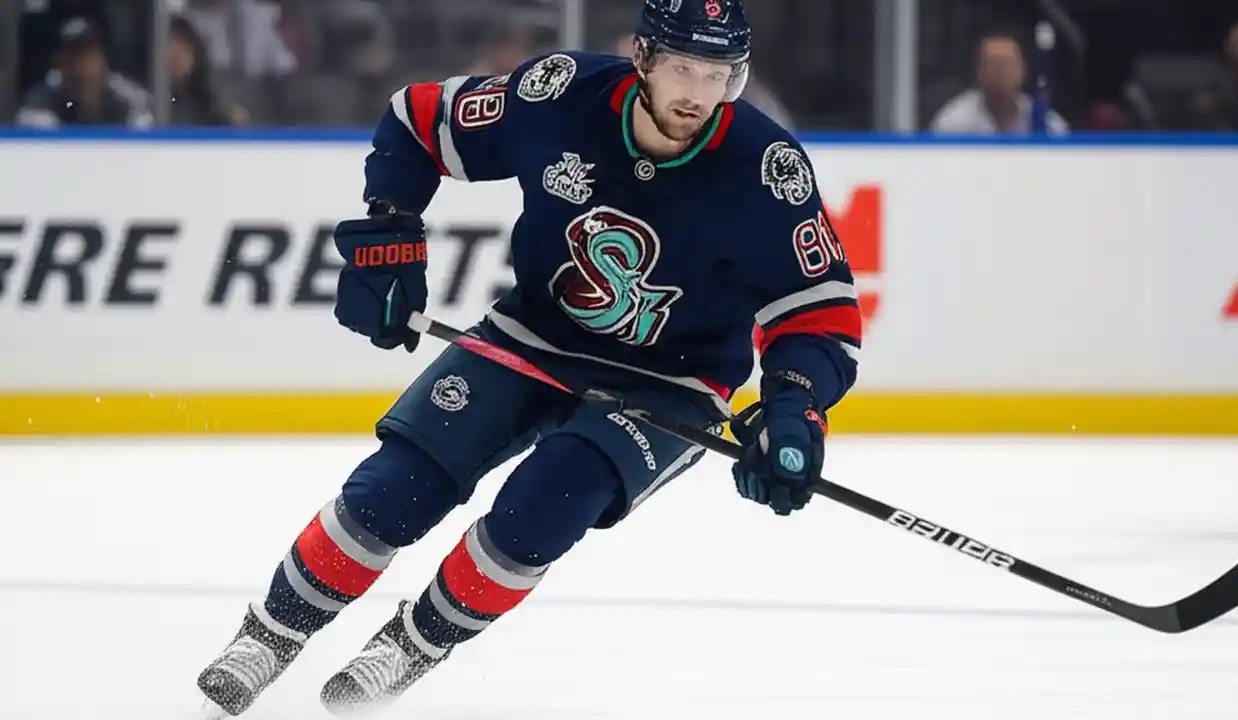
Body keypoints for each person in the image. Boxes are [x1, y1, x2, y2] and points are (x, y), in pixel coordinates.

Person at [194, 1, 862, 717]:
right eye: (681, 69)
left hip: (672, 382)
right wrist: (389, 235)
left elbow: (819, 312)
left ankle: (414, 644)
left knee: (545, 505)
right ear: (641, 57)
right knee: (395, 488)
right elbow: (418, 121)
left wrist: (795, 407)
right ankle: (269, 635)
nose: (698, 94)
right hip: (531, 339)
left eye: (717, 74)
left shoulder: (767, 171)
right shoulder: (558, 95)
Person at [14, 16, 152, 128]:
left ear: (104, 60)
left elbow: (145, 127)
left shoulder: (127, 98)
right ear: (60, 63)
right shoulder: (40, 100)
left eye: (89, 55)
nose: (81, 66)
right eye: (73, 56)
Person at [930, 29, 1068, 135]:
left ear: (1023, 71)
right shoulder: (953, 124)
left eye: (1007, 63)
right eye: (993, 64)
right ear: (979, 72)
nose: (1001, 72)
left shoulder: (1048, 124)